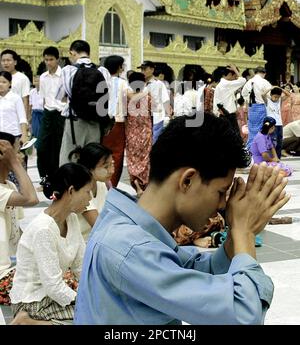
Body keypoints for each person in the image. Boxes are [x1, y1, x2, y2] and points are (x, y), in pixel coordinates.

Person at [74, 113, 290, 325]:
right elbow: (243, 315)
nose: (223, 205)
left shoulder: (134, 230)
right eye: (220, 192)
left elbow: (194, 271)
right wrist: (245, 232)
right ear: (187, 181)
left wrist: (235, 235)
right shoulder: (129, 247)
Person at [9, 163, 95, 325]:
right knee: (90, 319)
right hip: (32, 302)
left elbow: (80, 267)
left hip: (49, 297)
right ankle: (27, 321)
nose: (90, 198)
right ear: (71, 191)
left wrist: (94, 294)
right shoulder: (44, 229)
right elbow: (53, 286)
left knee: (99, 312)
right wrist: (86, 302)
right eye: (87, 192)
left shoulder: (72, 218)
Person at [0, 133, 38, 304]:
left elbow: (17, 231)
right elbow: (32, 199)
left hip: (12, 269)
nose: (21, 156)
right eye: (17, 152)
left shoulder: (10, 186)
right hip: (2, 274)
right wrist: (15, 163)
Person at [56, 40, 107, 165]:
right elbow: (107, 99)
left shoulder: (68, 70)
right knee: (93, 160)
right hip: (95, 122)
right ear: (88, 53)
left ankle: (71, 184)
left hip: (75, 122)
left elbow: (59, 96)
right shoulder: (102, 71)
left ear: (72, 53)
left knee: (70, 159)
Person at [69, 143, 113, 241]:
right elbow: (99, 225)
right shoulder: (80, 189)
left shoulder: (101, 184)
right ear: (90, 168)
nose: (111, 171)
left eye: (112, 164)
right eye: (106, 167)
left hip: (97, 240)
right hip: (83, 244)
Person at [36, 47, 65, 185]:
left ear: (58, 59)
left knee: (57, 148)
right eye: (46, 59)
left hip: (61, 114)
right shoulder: (43, 77)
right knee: (41, 147)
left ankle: (56, 179)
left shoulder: (65, 75)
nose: (48, 62)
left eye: (51, 59)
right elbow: (42, 97)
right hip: (47, 113)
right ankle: (44, 179)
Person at [102, 56, 127, 187]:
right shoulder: (122, 83)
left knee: (102, 154)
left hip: (103, 122)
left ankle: (102, 182)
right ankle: (112, 184)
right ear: (118, 67)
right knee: (116, 156)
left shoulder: (101, 81)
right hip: (118, 122)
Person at [125, 72, 152, 191]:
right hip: (145, 133)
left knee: (132, 159)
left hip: (131, 133)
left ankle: (136, 184)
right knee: (145, 160)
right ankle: (143, 184)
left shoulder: (126, 98)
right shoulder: (148, 97)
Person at [137, 61, 170, 144]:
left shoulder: (159, 84)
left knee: (154, 142)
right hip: (143, 118)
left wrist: (168, 115)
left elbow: (165, 100)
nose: (142, 72)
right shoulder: (140, 84)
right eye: (141, 70)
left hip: (157, 118)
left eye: (144, 69)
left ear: (152, 69)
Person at [242, 66, 272, 149]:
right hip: (260, 106)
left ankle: (249, 149)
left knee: (251, 129)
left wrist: (248, 100)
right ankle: (257, 149)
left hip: (251, 107)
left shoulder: (249, 82)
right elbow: (271, 95)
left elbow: (244, 93)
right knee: (260, 129)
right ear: (264, 73)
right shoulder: (264, 82)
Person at [213, 65, 246, 134]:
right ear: (230, 74)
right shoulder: (226, 84)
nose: (235, 79)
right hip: (228, 116)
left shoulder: (221, 84)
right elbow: (243, 80)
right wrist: (235, 70)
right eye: (235, 77)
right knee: (234, 138)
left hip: (222, 115)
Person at [1, 49, 31, 120]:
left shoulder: (22, 78)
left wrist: (25, 120)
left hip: (15, 117)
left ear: (15, 62)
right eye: (3, 60)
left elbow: (25, 100)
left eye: (8, 60)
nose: (5, 63)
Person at [0, 71, 28, 146]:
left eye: (4, 82)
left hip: (14, 136)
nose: (1, 84)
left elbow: (22, 118)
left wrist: (24, 135)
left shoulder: (16, 98)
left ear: (10, 83)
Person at [262, 86, 288, 159]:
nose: (276, 98)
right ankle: (272, 157)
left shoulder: (279, 101)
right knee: (273, 141)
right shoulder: (267, 101)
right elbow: (262, 95)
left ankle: (278, 158)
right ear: (271, 95)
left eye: (278, 97)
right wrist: (271, 88)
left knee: (280, 142)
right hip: (272, 125)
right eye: (274, 97)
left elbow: (288, 95)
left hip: (280, 124)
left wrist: (280, 88)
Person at [29, 75, 44, 143]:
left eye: (37, 80)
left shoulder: (44, 91)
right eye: (34, 80)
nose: (35, 81)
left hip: (42, 114)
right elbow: (30, 104)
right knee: (35, 131)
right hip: (35, 114)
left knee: (42, 132)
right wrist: (29, 116)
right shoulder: (32, 91)